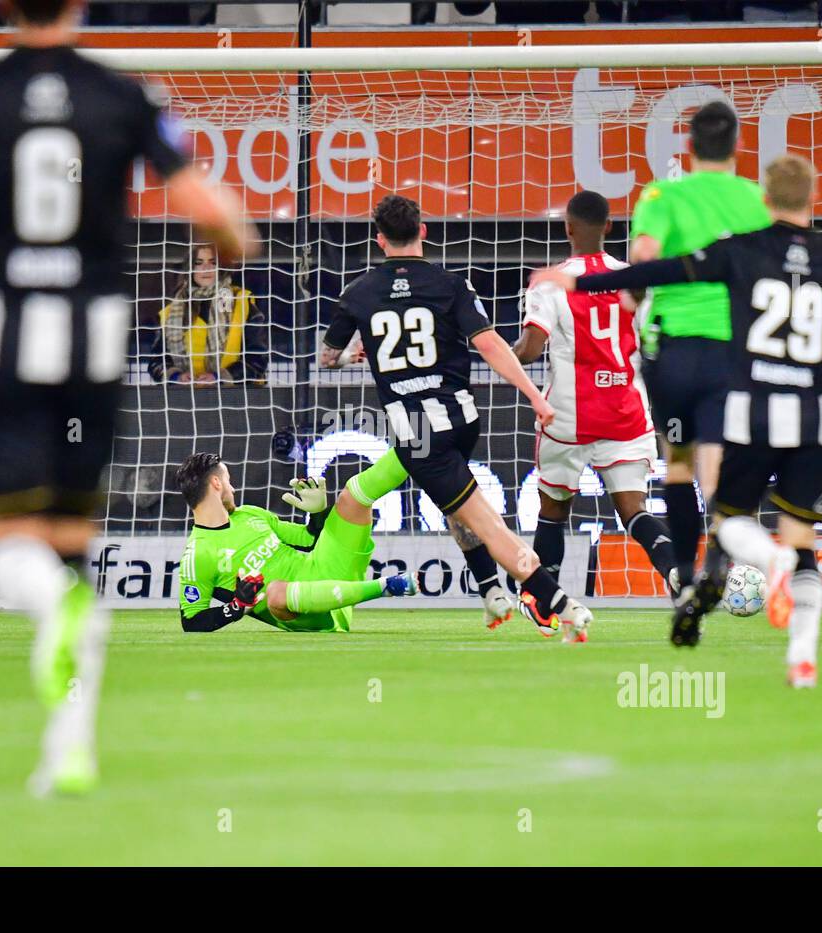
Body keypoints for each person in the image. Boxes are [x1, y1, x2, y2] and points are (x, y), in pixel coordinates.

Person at [0, 0, 255, 795]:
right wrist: (235, 242)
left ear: (3, 6)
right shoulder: (124, 95)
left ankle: (61, 680)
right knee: (73, 547)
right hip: (94, 338)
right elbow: (215, 216)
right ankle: (69, 749)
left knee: (4, 553)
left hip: (7, 335)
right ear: (79, 5)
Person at [531, 154, 822, 685]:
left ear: (764, 201)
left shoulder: (740, 254)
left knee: (728, 521)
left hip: (755, 411)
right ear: (814, 201)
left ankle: (769, 563)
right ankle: (801, 659)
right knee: (801, 538)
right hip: (815, 420)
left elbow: (664, 271)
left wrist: (578, 284)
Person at [320, 194, 592, 643]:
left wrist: (355, 354)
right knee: (455, 504)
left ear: (379, 239)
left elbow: (328, 358)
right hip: (462, 418)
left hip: (419, 433)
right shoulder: (452, 284)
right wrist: (533, 397)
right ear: (423, 231)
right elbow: (490, 345)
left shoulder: (358, 294)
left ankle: (559, 604)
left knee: (484, 520)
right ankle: (490, 591)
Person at [623, 100, 770, 613]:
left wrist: (635, 298)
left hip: (674, 349)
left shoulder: (663, 194)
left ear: (689, 148)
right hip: (735, 350)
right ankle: (725, 562)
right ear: (736, 146)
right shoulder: (756, 199)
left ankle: (686, 574)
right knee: (724, 463)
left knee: (678, 462)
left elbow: (643, 257)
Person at [515, 190, 676, 598]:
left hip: (568, 416)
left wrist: (504, 353)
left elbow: (531, 349)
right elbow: (660, 342)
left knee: (552, 510)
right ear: (609, 226)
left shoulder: (552, 283)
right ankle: (675, 572)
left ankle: (542, 604)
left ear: (567, 228)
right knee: (633, 510)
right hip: (625, 411)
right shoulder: (635, 279)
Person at [174, 453, 417, 633]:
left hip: (330, 568)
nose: (233, 488)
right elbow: (192, 620)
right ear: (216, 483)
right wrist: (236, 606)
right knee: (276, 592)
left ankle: (424, 445)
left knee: (355, 492)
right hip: (311, 613)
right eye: (228, 481)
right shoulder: (197, 553)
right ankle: (387, 586)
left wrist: (318, 513)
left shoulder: (249, 514)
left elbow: (310, 539)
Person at [147, 242, 267, 385]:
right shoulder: (168, 312)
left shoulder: (242, 302)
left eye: (213, 262)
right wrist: (176, 377)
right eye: (198, 263)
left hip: (239, 397)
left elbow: (258, 360)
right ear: (190, 268)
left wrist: (219, 377)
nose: (206, 268)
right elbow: (156, 362)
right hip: (185, 398)